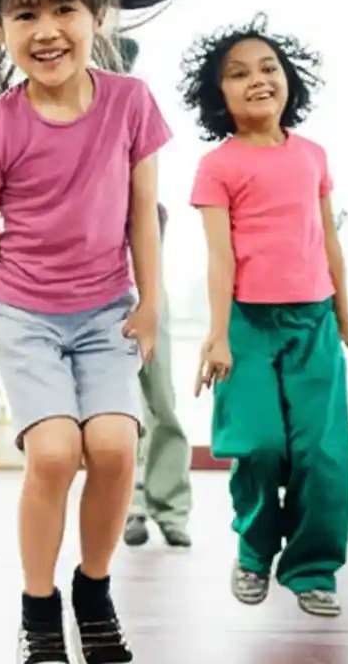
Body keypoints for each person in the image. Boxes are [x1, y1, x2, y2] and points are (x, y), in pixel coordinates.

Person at [0, 0, 197, 661]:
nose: (46, 30)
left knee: (113, 445)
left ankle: (94, 587)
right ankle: (39, 605)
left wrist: (149, 303)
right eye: (25, 15)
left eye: (63, 10)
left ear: (95, 18)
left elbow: (145, 213)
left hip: (108, 307)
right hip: (24, 314)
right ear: (0, 33)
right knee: (54, 454)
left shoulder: (131, 103)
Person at [182, 14, 348, 618]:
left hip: (314, 322)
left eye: (268, 68)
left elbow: (330, 245)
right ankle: (254, 550)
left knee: (321, 454)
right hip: (248, 325)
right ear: (220, 95)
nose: (257, 80)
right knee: (261, 445)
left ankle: (314, 567)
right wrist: (217, 335)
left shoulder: (313, 156)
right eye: (238, 75)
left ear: (289, 77)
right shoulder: (218, 165)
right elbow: (220, 257)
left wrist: (345, 323)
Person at [114, 36, 191, 549]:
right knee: (119, 407)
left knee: (161, 398)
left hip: (146, 285)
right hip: (90, 290)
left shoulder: (137, 118)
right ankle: (131, 506)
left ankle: (170, 507)